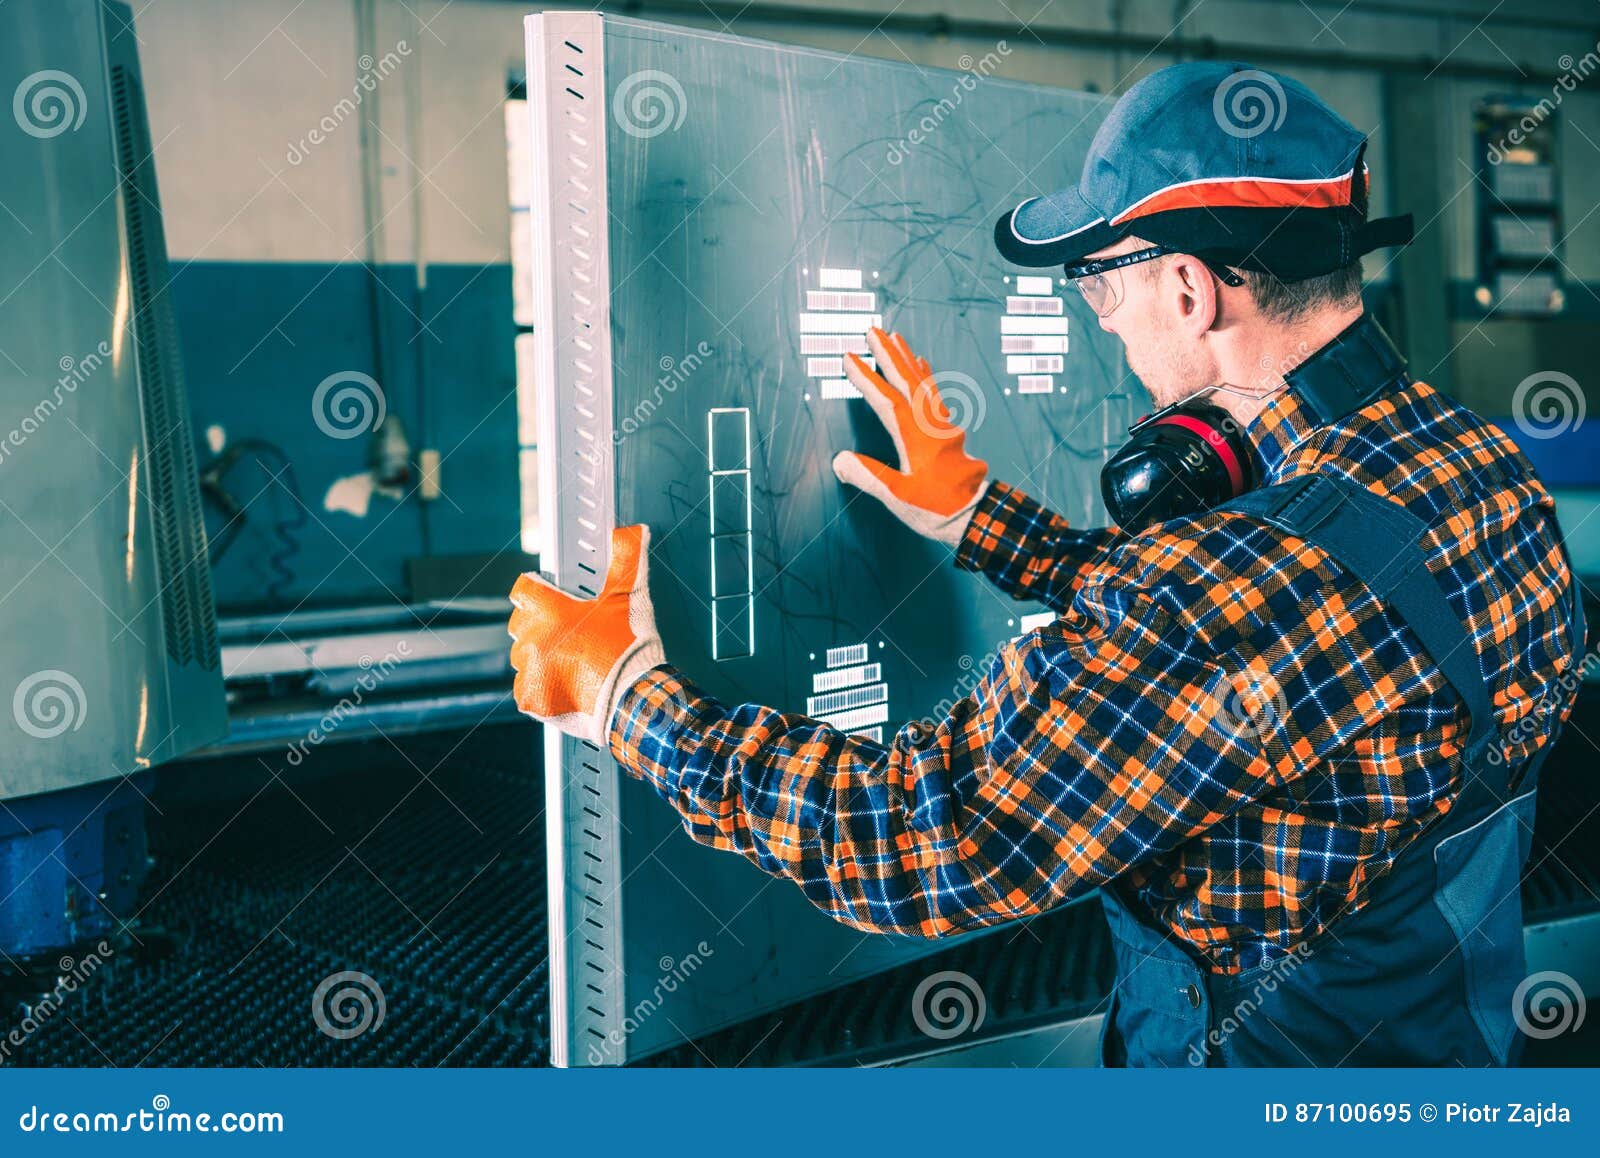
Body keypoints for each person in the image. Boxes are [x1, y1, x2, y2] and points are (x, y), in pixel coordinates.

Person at [507, 61, 1583, 1066]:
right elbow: (1284, 653)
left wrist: (623, 700)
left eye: (1099, 287)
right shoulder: (1477, 469)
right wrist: (986, 520)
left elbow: (927, 837)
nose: (1105, 325)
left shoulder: (1219, 596)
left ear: (1187, 292)